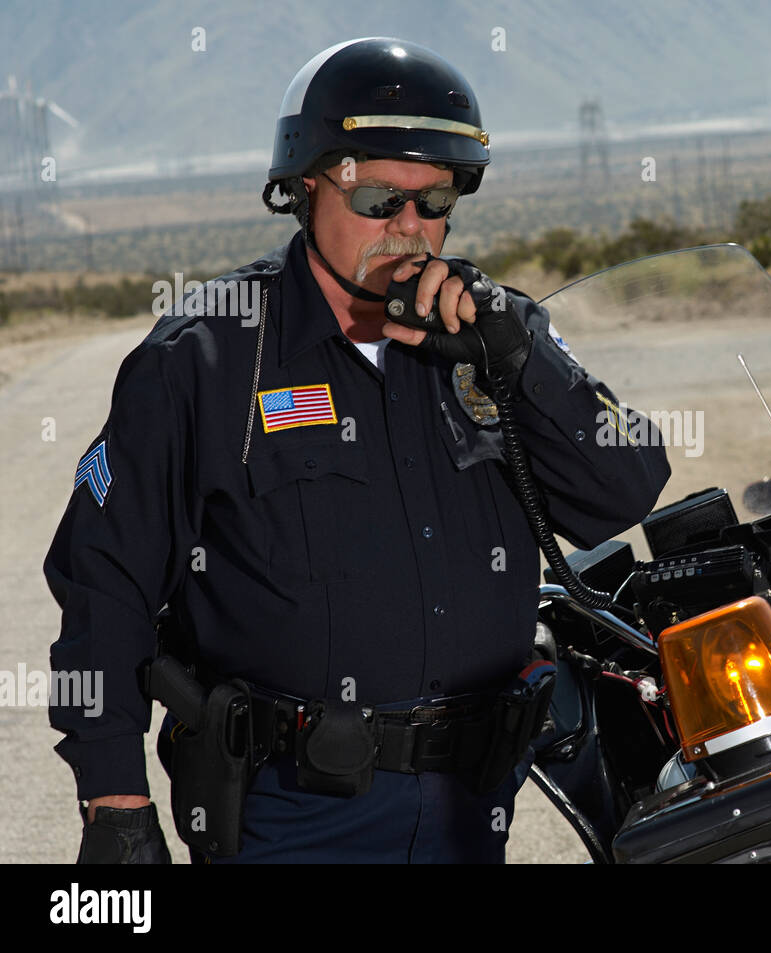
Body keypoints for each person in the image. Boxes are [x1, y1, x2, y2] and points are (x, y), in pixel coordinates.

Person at [45, 37, 670, 864]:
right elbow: (104, 585)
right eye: (378, 196)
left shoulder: (489, 336)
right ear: (307, 186)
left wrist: (523, 359)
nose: (409, 227)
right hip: (291, 813)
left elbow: (626, 487)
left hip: (470, 802)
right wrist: (115, 806)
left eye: (436, 198)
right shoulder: (205, 358)